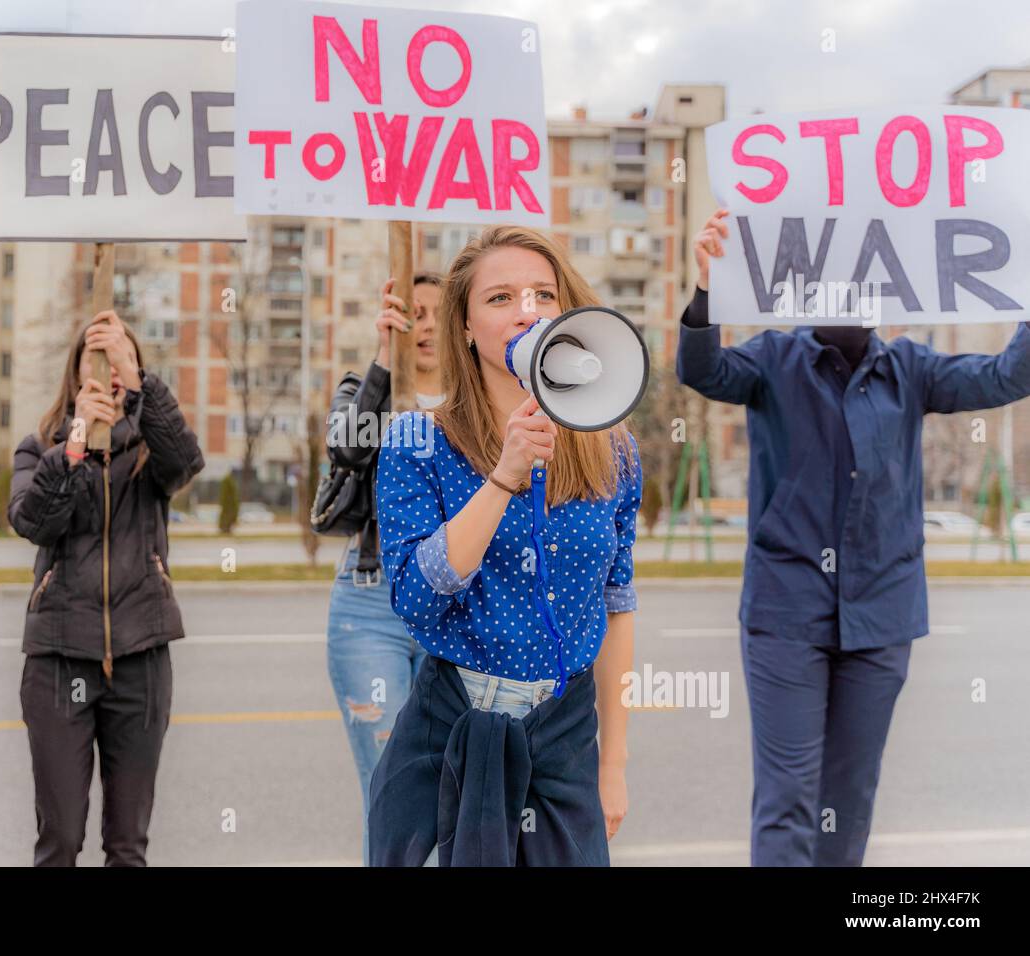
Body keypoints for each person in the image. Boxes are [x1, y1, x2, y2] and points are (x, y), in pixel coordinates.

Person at [679, 208, 1030, 866]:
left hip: (882, 618)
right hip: (786, 615)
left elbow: (1008, 376)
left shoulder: (912, 369)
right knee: (788, 801)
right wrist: (707, 291)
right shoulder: (773, 359)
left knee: (850, 801)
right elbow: (704, 372)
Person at [369, 226, 641, 866]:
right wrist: (502, 478)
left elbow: (617, 604)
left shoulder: (614, 450)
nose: (527, 310)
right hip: (449, 726)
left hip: (562, 735)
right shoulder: (416, 440)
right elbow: (415, 595)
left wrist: (614, 765)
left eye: (543, 294)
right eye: (500, 298)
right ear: (464, 327)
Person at [8, 309, 204, 866]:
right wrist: (73, 449)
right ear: (75, 376)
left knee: (127, 844)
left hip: (141, 656)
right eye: (98, 362)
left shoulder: (151, 449)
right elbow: (33, 521)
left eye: (120, 362)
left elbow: (187, 461)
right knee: (61, 837)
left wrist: (138, 380)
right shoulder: (39, 447)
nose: (111, 374)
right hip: (58, 657)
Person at [324, 272, 442, 864]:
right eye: (411, 312)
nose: (424, 324)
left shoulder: (478, 406)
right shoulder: (362, 389)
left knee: (453, 786)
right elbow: (347, 448)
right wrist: (380, 361)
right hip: (371, 603)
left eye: (437, 312)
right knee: (391, 784)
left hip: (456, 606)